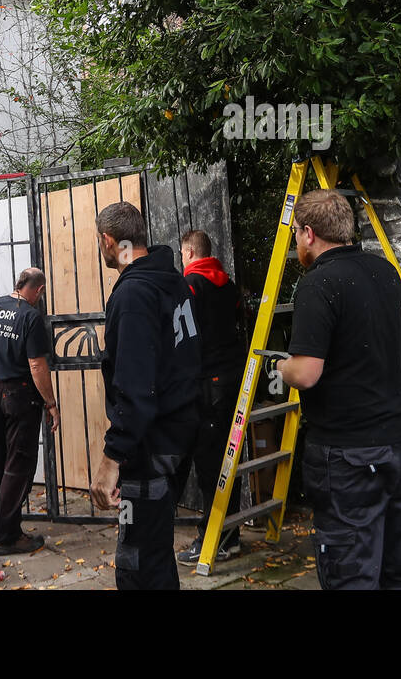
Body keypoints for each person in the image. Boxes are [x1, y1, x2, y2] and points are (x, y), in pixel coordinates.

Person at [276, 189, 401, 590]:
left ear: (308, 233)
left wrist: (281, 366)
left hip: (348, 456)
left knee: (351, 573)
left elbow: (306, 373)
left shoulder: (319, 284)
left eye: (296, 237)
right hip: (392, 443)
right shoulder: (385, 272)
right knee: (395, 566)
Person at [89, 202, 201, 589]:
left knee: (137, 560)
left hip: (152, 445)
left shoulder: (134, 295)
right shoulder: (173, 281)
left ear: (108, 241)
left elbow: (136, 389)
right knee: (155, 548)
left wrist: (112, 458)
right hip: (179, 436)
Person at [175, 229, 248, 567]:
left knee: (208, 466)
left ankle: (212, 539)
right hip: (233, 379)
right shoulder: (228, 285)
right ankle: (230, 536)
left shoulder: (191, 286)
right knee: (225, 458)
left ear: (188, 252)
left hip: (207, 383)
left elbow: (184, 335)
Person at [0, 266, 60, 556]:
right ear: (38, 290)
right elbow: (37, 366)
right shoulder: (30, 317)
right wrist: (51, 404)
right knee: (18, 466)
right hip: (20, 395)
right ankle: (7, 536)